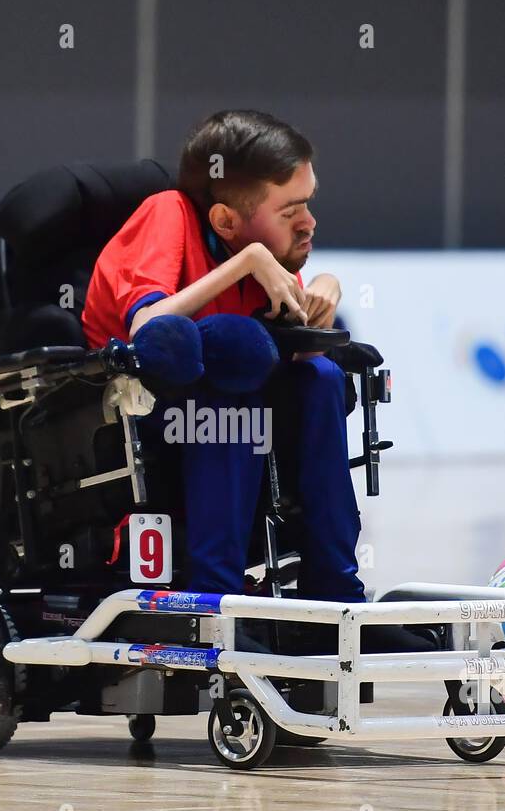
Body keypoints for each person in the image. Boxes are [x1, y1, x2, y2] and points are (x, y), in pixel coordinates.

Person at [82, 110, 365, 604]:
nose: (310, 223)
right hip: (128, 417)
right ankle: (216, 601)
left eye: (309, 203)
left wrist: (326, 288)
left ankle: (335, 593)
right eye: (290, 211)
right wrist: (249, 262)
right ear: (225, 221)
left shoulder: (262, 253)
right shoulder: (168, 213)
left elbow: (277, 349)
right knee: (231, 392)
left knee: (319, 377)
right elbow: (148, 331)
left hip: (218, 414)